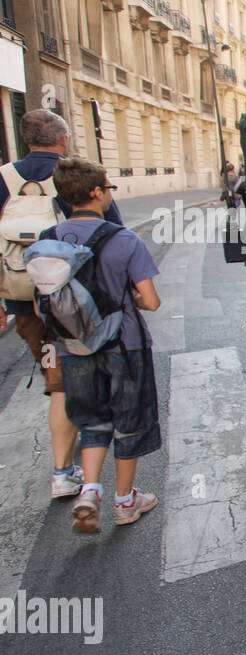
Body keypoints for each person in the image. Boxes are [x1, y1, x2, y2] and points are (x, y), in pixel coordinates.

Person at [0, 109, 123, 499]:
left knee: (60, 386)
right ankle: (104, 483)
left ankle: (62, 473)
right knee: (97, 382)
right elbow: (114, 234)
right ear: (64, 139)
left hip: (29, 303)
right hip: (88, 304)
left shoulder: (4, 178)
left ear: (25, 139)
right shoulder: (75, 176)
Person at [49, 157, 162, 535]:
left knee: (92, 421)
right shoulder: (124, 239)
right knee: (129, 424)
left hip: (74, 347)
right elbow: (151, 300)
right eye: (108, 187)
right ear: (96, 192)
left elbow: (40, 304)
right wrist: (130, 295)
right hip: (124, 345)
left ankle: (90, 489)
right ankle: (125, 501)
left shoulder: (48, 239)